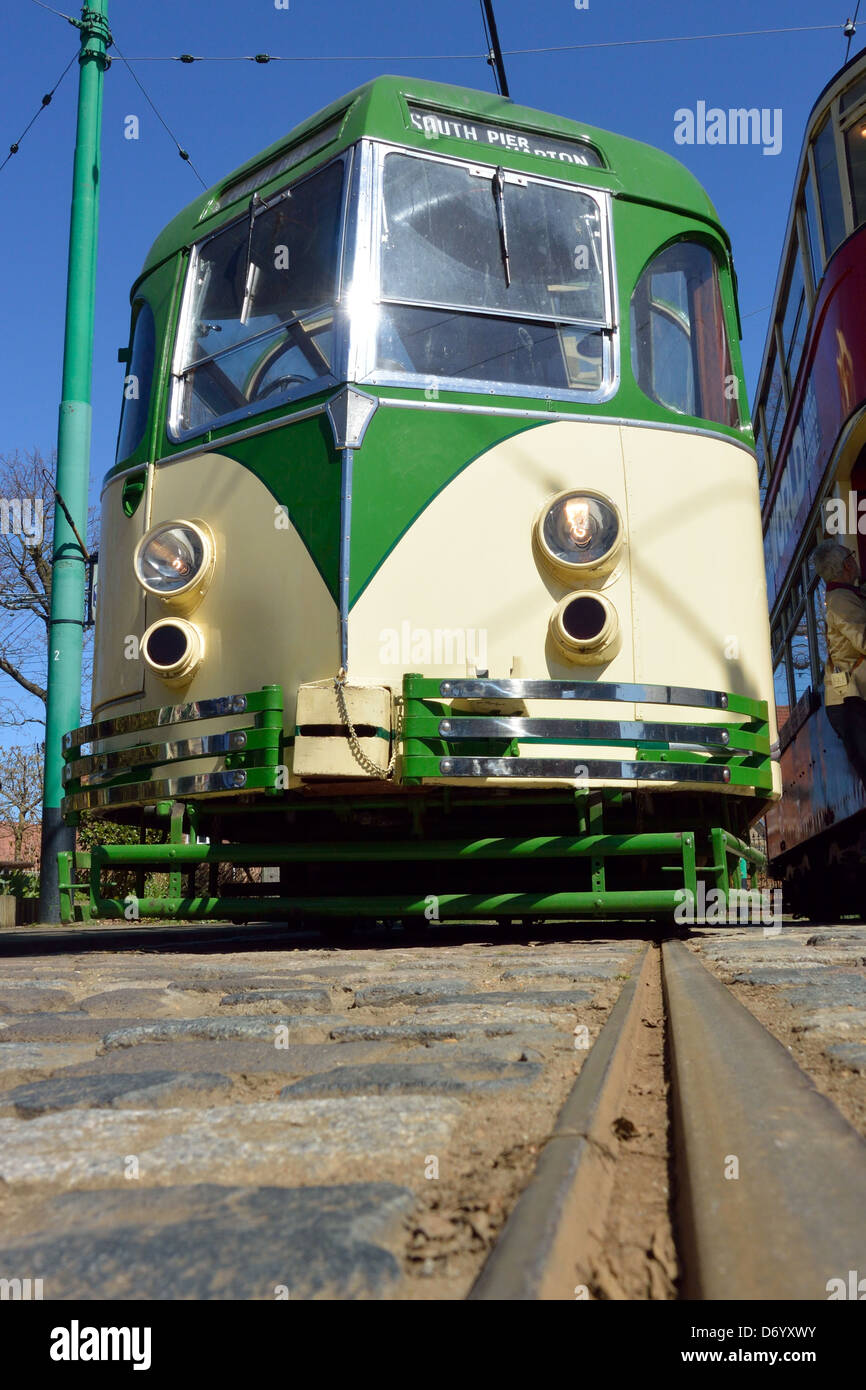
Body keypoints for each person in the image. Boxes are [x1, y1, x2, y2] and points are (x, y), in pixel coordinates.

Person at [812, 539, 866, 790]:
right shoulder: (842, 600)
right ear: (846, 565)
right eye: (852, 557)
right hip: (851, 700)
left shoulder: (842, 596)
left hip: (848, 699)